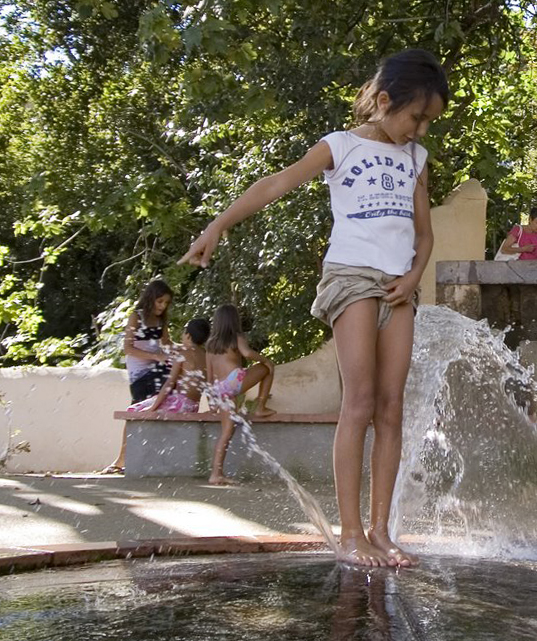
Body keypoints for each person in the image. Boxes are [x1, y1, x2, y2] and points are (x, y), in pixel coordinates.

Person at [178, 48, 448, 568]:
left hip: (399, 286)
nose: (419, 130)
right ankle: (351, 533)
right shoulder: (340, 146)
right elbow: (274, 184)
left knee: (393, 407)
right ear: (386, 100)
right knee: (361, 401)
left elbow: (424, 232)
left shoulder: (417, 159)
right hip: (350, 278)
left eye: (429, 123)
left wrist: (414, 276)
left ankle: (381, 531)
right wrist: (217, 225)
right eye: (416, 117)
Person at [101, 279, 175, 474]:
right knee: (136, 411)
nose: (162, 306)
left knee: (159, 407)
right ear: (151, 299)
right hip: (140, 373)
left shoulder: (161, 321)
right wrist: (154, 356)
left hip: (158, 369)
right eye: (160, 302)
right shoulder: (137, 317)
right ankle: (122, 459)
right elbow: (127, 348)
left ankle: (148, 457)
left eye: (166, 303)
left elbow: (166, 342)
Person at [205, 304, 276, 485]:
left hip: (219, 389)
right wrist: (264, 359)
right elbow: (247, 353)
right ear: (234, 321)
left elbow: (209, 376)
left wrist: (211, 401)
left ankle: (216, 473)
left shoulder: (211, 345)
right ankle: (260, 407)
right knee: (267, 368)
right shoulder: (237, 337)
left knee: (227, 431)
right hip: (234, 381)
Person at [127, 317, 210, 414]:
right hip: (194, 406)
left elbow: (169, 383)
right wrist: (213, 410)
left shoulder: (182, 354)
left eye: (183, 332)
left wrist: (152, 408)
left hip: (178, 403)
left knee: (134, 410)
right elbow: (210, 385)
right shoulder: (206, 356)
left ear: (188, 336)